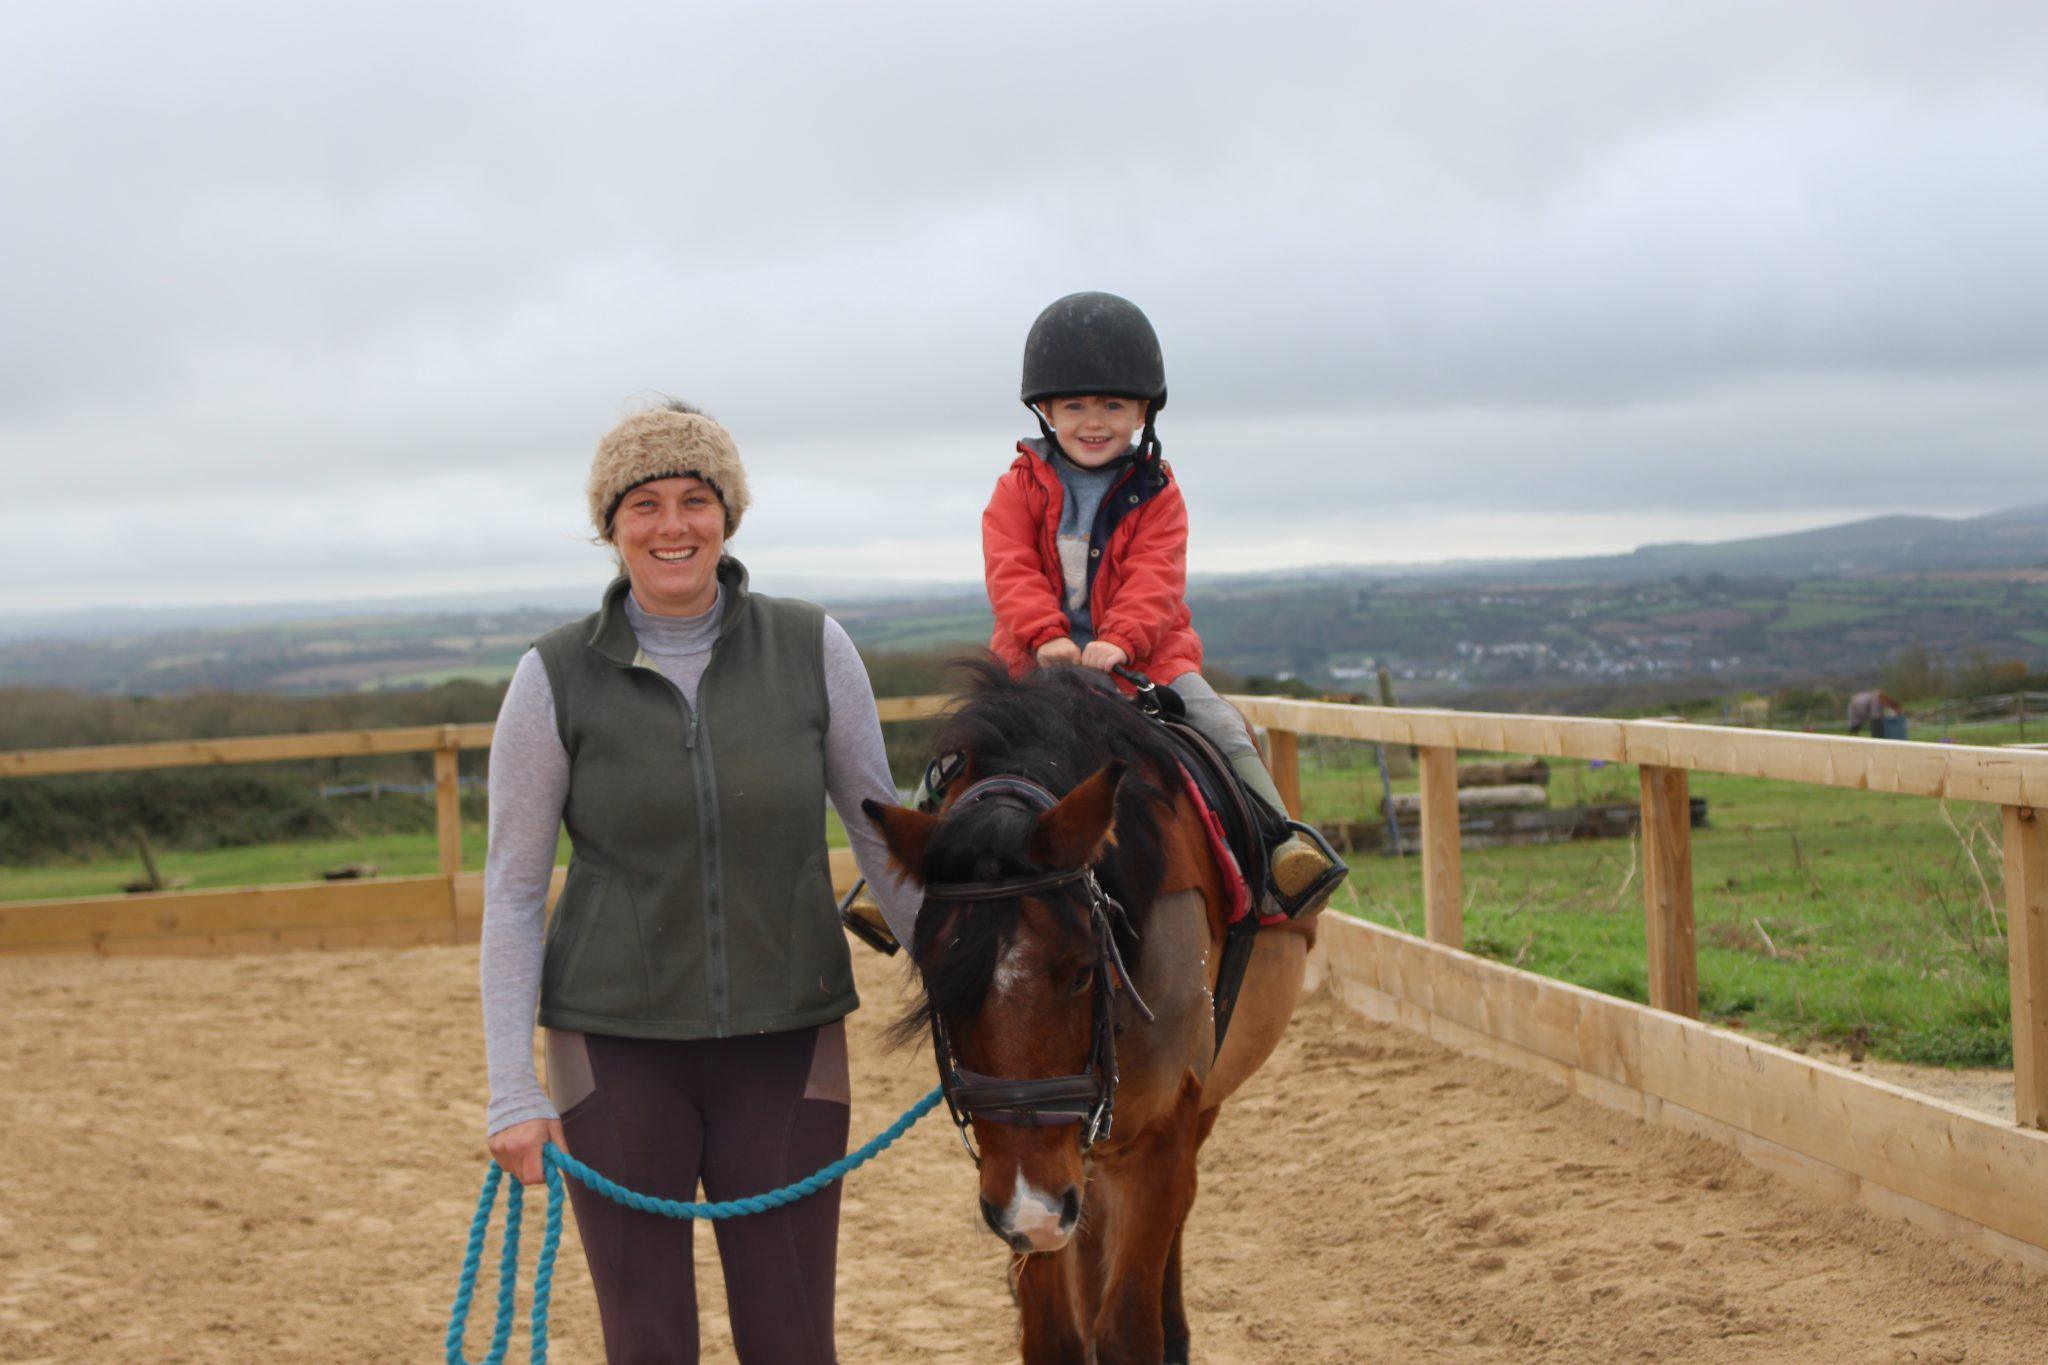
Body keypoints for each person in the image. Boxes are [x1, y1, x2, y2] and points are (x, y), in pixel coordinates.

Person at [479, 400, 920, 1365]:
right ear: (610, 525)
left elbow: (885, 840)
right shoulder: (550, 678)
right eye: (644, 503)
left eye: (695, 499)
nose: (672, 525)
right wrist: (513, 1087)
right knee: (647, 1345)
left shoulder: (814, 649)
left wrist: (970, 1002)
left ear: (728, 515)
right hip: (615, 1054)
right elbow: (513, 891)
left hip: (789, 1045)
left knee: (794, 1339)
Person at [982, 290, 1341, 915]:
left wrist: (1120, 640)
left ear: (1143, 411)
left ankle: (1281, 848)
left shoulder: (1158, 493)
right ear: (1045, 410)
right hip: (1037, 658)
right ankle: (900, 876)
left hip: (1148, 657)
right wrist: (1045, 637)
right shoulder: (1015, 490)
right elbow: (1008, 567)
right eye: (1075, 406)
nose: (1094, 422)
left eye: (1114, 405)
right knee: (966, 741)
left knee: (1223, 723)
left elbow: (1156, 576)